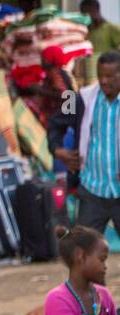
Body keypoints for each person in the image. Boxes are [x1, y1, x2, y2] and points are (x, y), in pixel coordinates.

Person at [49, 51, 120, 235]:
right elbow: (55, 123)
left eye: (110, 76)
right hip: (91, 191)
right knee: (83, 253)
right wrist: (58, 150)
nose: (104, 81)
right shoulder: (78, 96)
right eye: (100, 76)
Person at [82, 1, 120, 81]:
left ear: (96, 10)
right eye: (84, 15)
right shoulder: (87, 30)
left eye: (88, 13)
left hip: (108, 74)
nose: (87, 17)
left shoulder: (112, 28)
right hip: (91, 73)